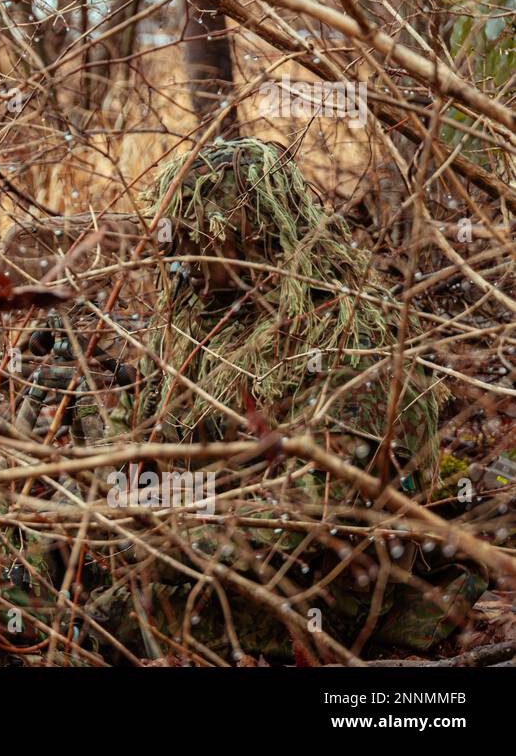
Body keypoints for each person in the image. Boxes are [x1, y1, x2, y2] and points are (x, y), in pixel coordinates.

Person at [83, 137, 487, 662]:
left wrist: (162, 547)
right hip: (207, 552)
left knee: (108, 619)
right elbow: (134, 442)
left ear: (255, 236)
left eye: (199, 237)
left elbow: (312, 513)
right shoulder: (196, 327)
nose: (179, 256)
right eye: (175, 237)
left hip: (327, 591)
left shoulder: (346, 338)